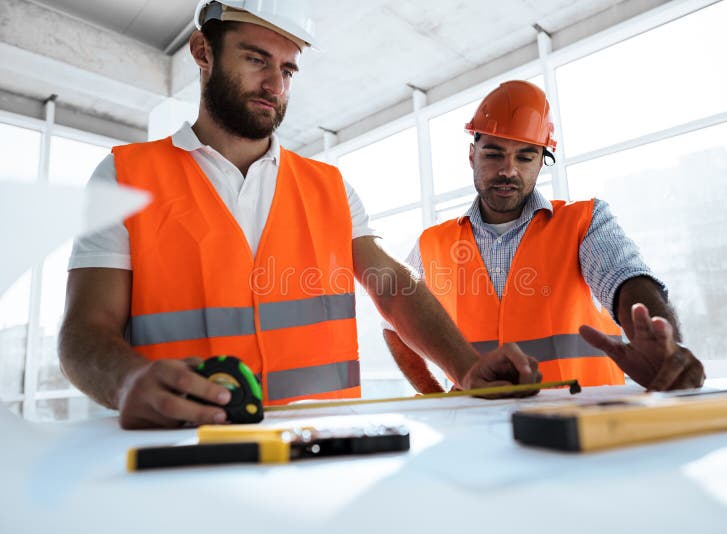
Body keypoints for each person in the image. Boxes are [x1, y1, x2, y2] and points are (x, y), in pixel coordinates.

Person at [58, 1, 542, 430]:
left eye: (287, 70)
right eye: (255, 59)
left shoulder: (329, 186)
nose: (274, 84)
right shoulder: (125, 176)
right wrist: (128, 383)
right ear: (203, 51)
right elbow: (84, 331)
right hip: (186, 448)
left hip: (323, 451)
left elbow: (391, 286)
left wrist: (464, 366)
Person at [383, 80, 705, 393]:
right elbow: (394, 326)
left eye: (525, 157)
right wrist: (432, 393)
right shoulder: (431, 244)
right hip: (477, 434)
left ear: (541, 162)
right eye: (493, 154)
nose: (508, 170)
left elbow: (626, 279)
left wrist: (659, 340)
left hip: (582, 427)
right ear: (472, 155)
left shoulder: (583, 222)